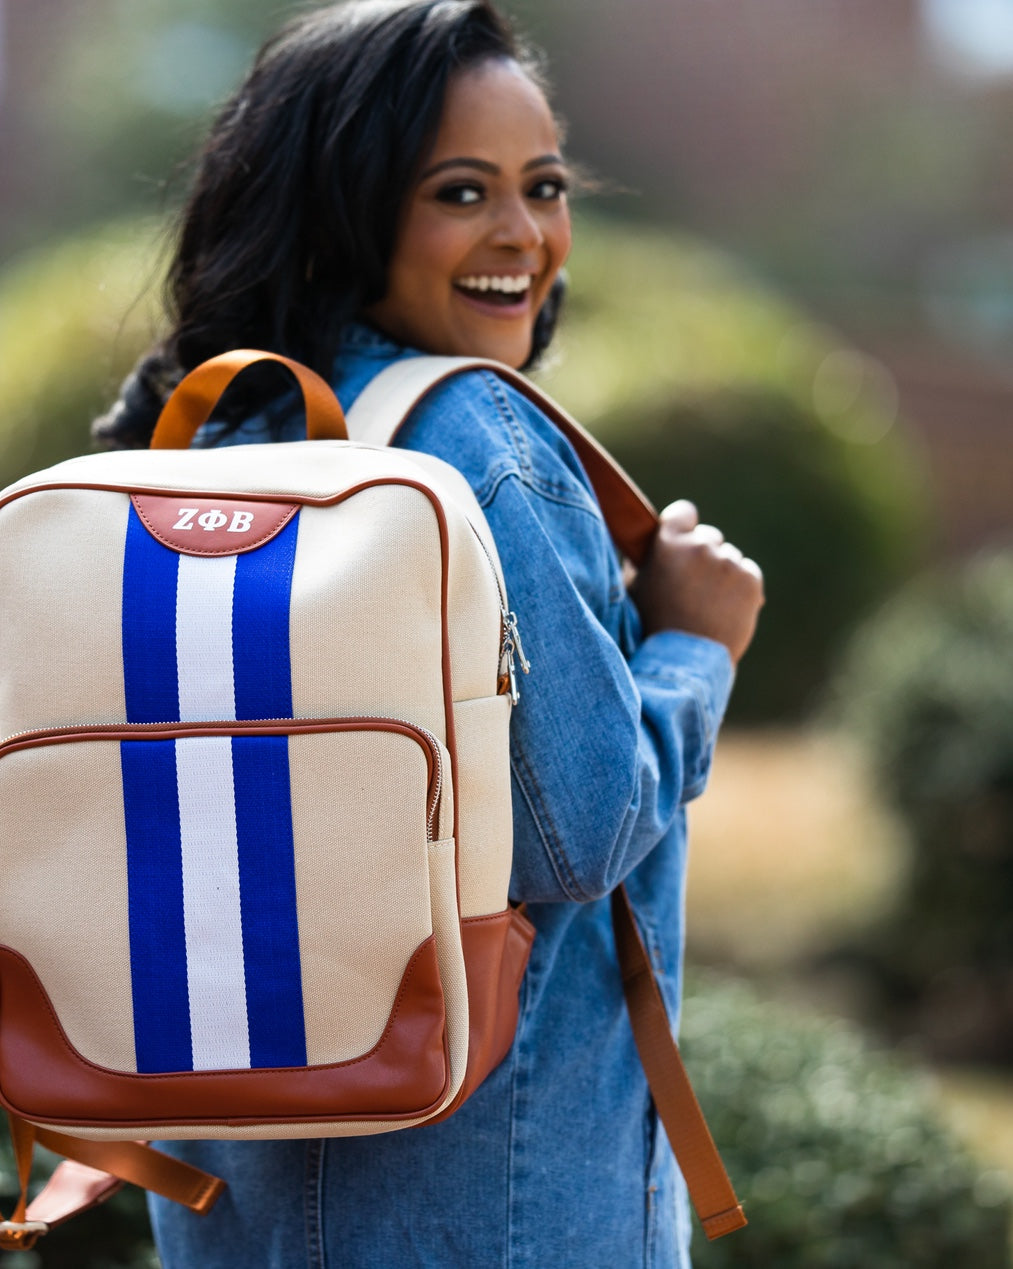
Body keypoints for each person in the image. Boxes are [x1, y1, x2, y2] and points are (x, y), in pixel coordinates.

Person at [94, 2, 764, 1265]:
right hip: (492, 1197)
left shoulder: (206, 446)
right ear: (347, 211)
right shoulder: (477, 446)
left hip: (224, 1189)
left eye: (545, 185)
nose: (524, 234)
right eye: (461, 192)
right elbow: (582, 825)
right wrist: (696, 645)